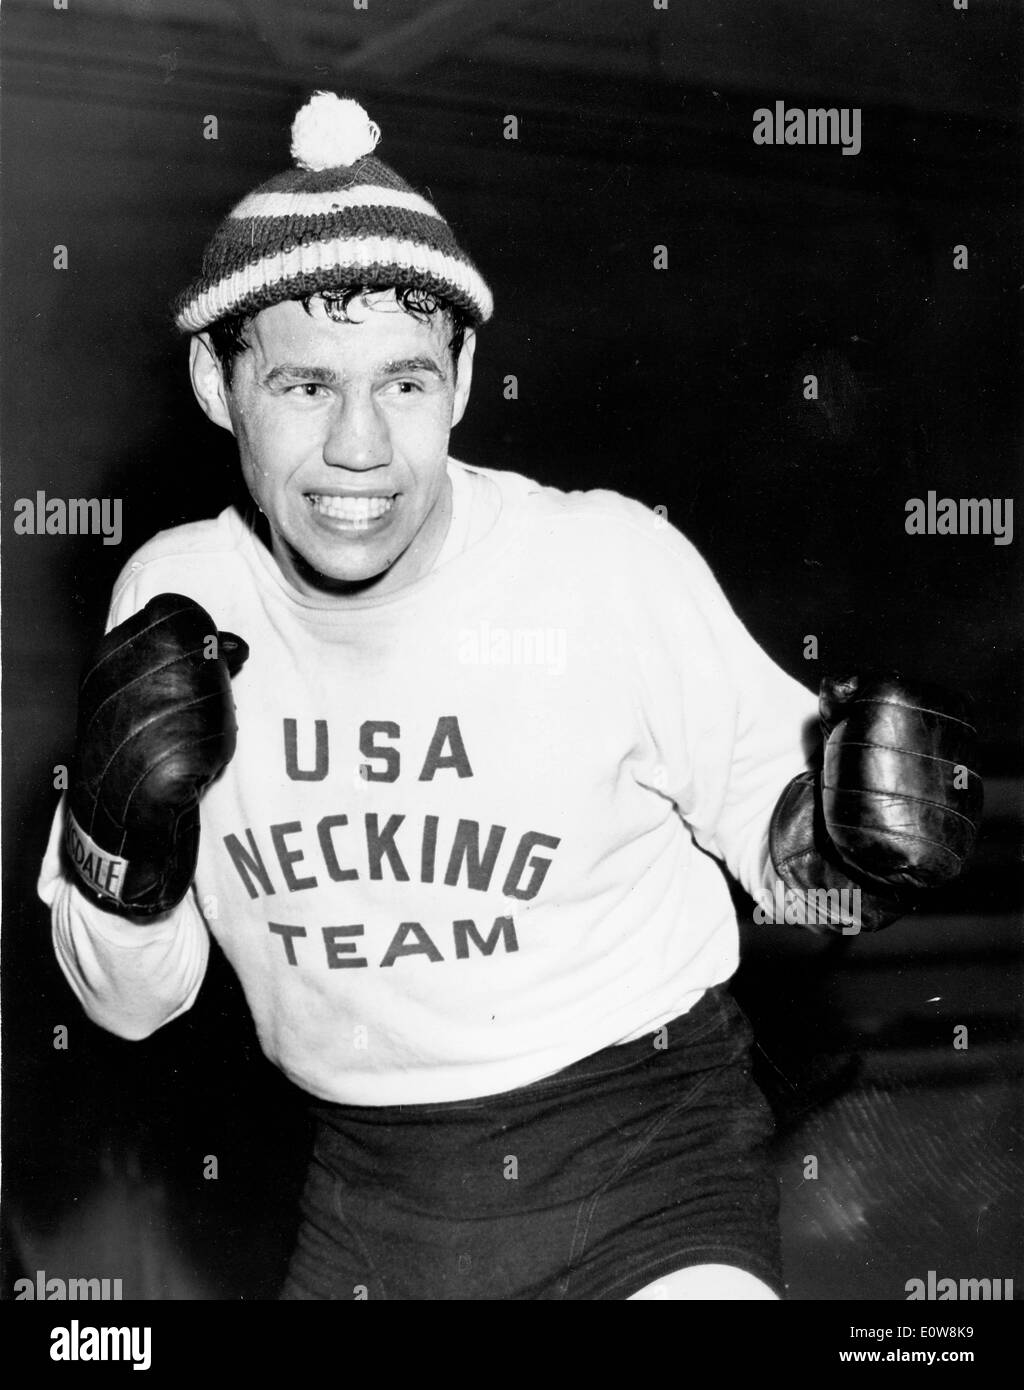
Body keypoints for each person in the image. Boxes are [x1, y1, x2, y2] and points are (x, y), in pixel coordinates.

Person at [38, 93, 982, 1301]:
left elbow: (791, 860)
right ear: (220, 386)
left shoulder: (605, 565)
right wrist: (122, 837)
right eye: (305, 386)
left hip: (645, 1152)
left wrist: (864, 860)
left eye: (406, 383)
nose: (361, 447)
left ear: (466, 376)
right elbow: (127, 1008)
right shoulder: (175, 594)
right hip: (370, 1198)